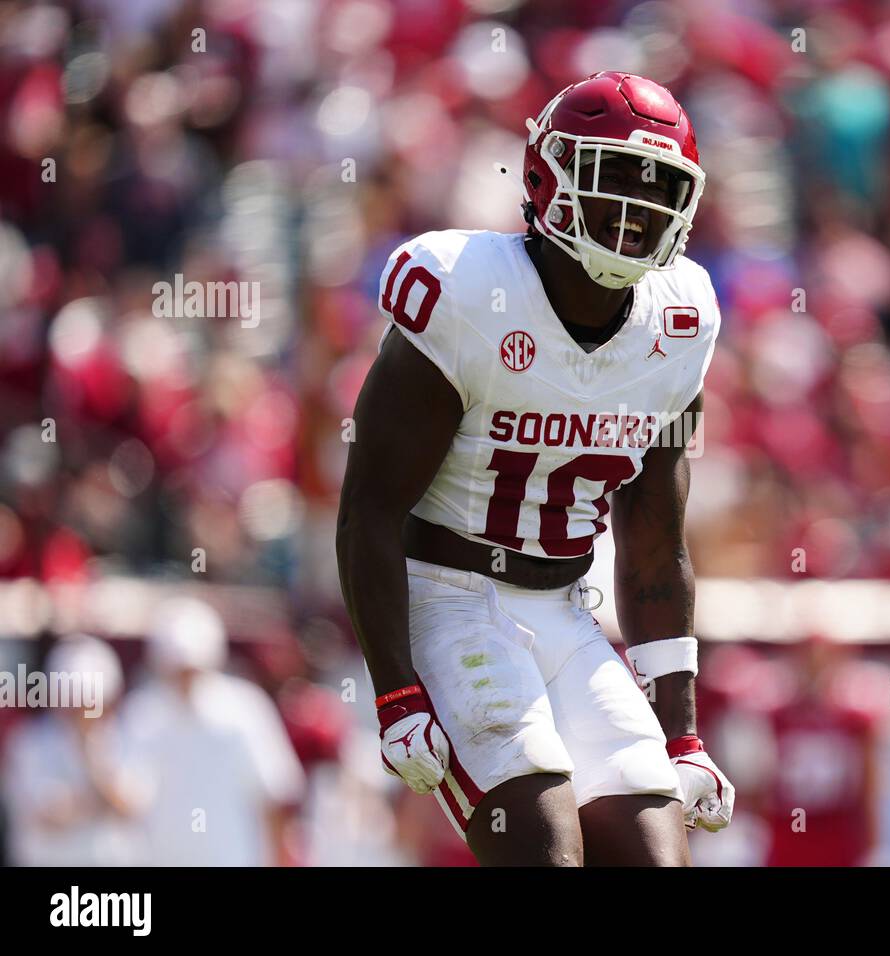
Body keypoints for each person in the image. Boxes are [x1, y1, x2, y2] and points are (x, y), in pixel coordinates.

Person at [337, 71, 735, 866]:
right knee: (548, 850)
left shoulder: (680, 319)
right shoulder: (467, 291)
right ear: (548, 173)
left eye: (656, 185)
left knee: (654, 855)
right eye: (612, 174)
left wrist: (683, 731)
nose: (633, 207)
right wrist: (394, 690)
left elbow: (657, 541)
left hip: (564, 610)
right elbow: (370, 507)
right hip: (444, 600)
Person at [121, 597, 306, 866]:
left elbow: (274, 796)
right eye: (177, 669)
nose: (185, 678)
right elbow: (129, 798)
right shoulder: (143, 713)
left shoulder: (245, 709)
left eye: (191, 669)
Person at [1, 635, 146, 865]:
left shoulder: (128, 737)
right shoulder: (30, 743)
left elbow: (131, 808)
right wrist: (98, 805)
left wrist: (91, 757)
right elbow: (50, 817)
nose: (80, 711)